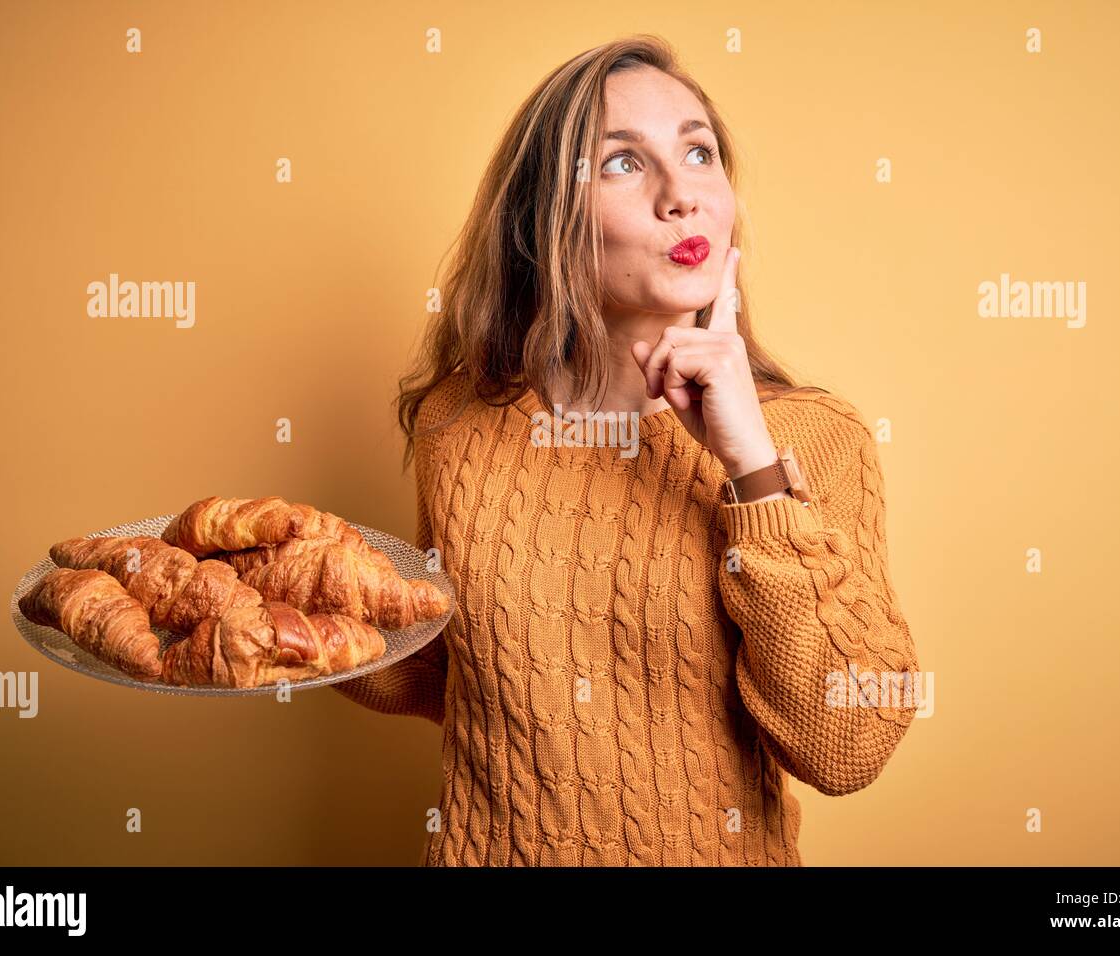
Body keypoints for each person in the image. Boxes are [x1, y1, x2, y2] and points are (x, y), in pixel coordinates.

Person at [332, 34, 921, 867]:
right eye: (622, 163)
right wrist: (284, 619)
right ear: (546, 215)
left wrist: (751, 467)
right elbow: (465, 676)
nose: (681, 195)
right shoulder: (457, 422)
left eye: (698, 152)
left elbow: (849, 742)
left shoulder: (812, 440)